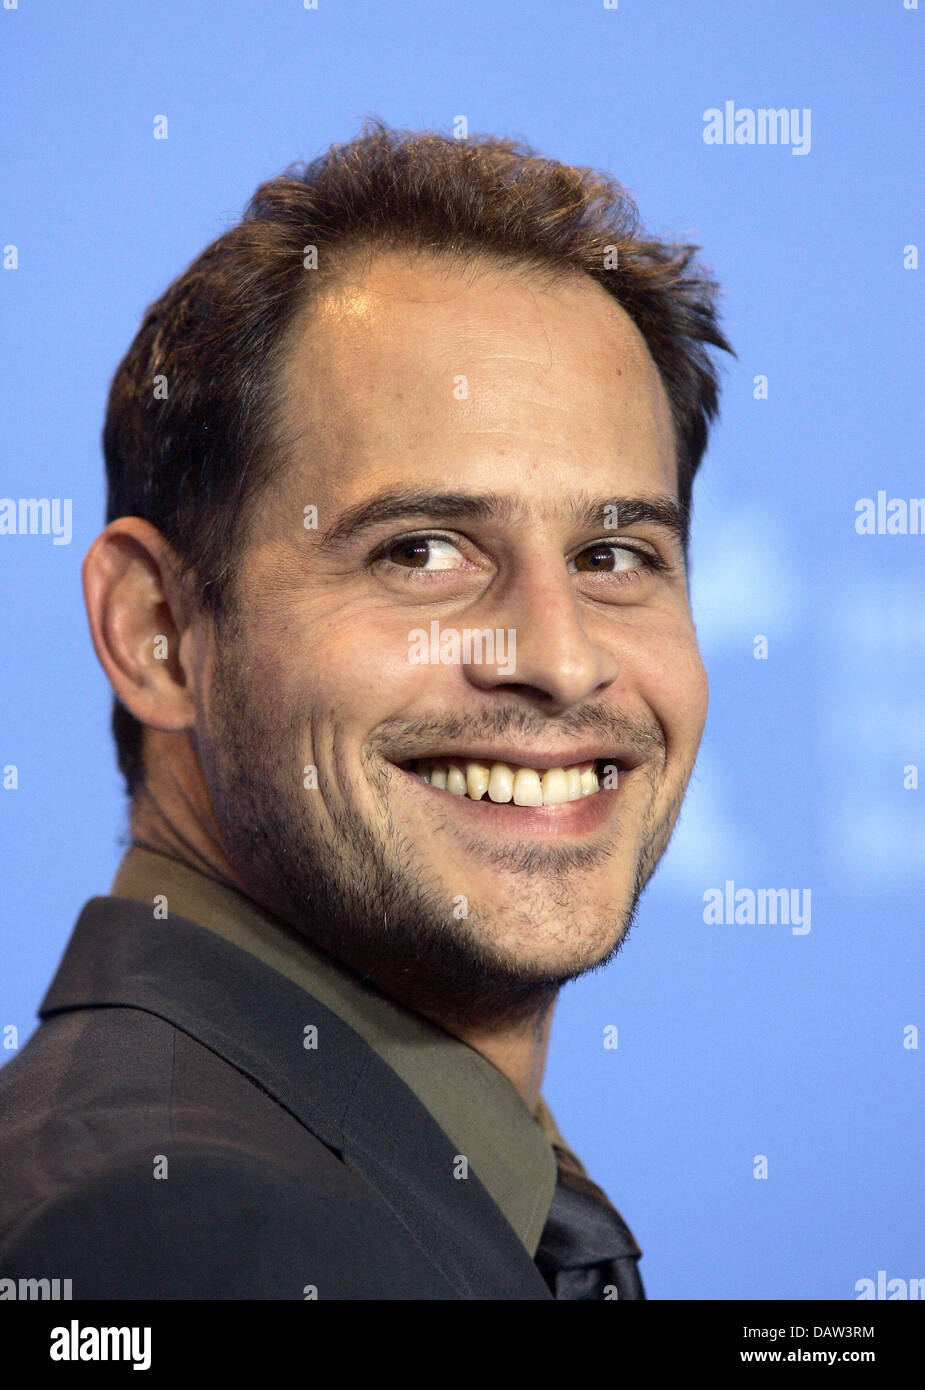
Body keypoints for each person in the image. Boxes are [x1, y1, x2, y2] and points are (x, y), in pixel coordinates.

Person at [0, 120, 733, 1299]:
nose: (558, 656)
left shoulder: (396, 1179)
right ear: (157, 632)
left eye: (612, 552)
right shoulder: (169, 1232)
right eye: (423, 549)